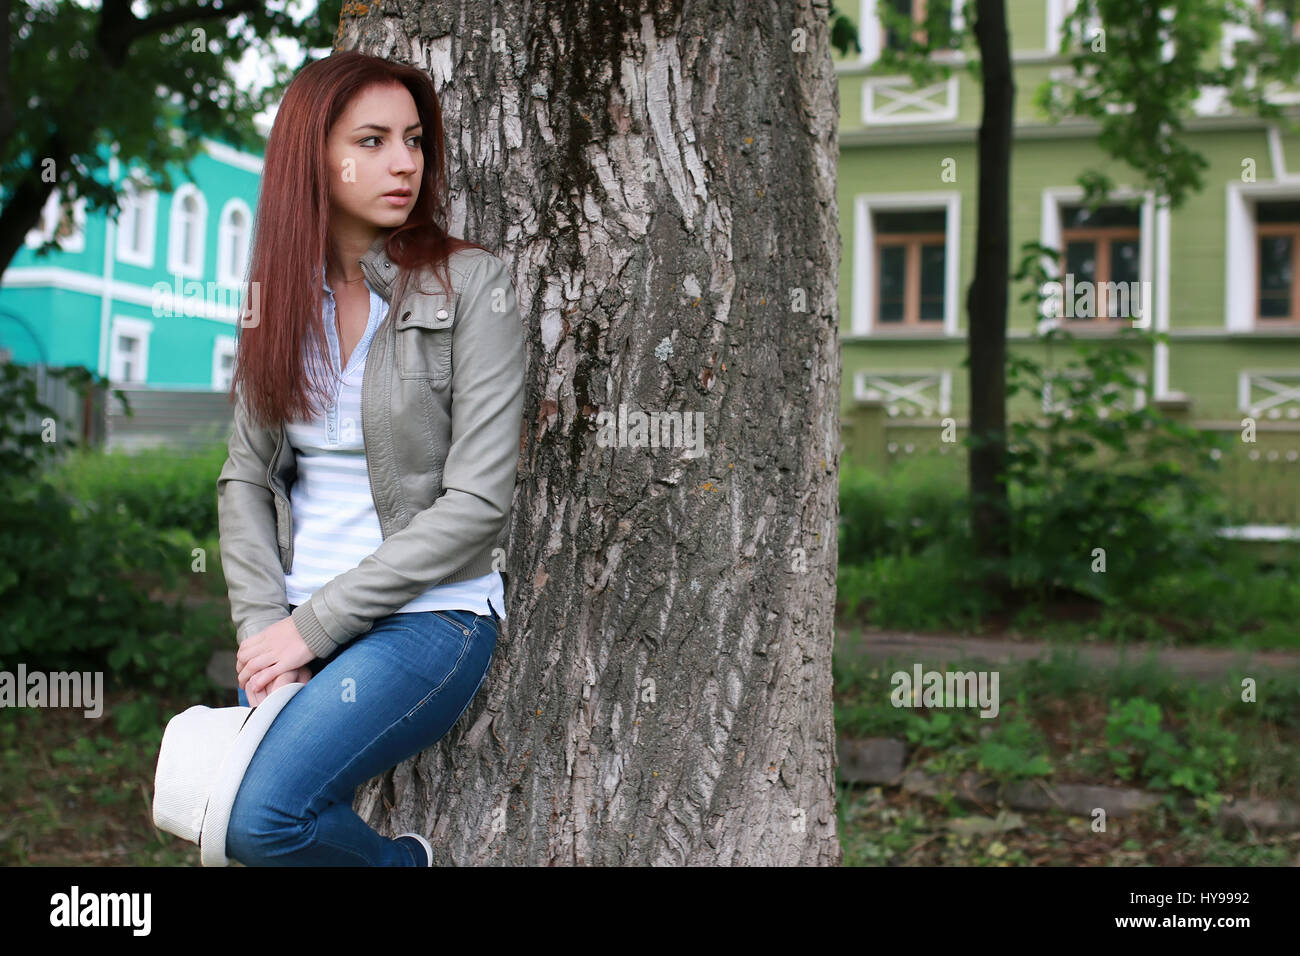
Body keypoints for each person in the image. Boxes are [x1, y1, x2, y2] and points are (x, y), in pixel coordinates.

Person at [214, 50, 525, 866]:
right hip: (295, 623)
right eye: (375, 140)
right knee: (228, 821)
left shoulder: (472, 287)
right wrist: (265, 637)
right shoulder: (277, 301)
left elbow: (478, 504)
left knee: (258, 822)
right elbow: (246, 478)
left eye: (415, 140)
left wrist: (310, 629)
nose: (404, 164)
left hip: (428, 618)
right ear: (313, 154)